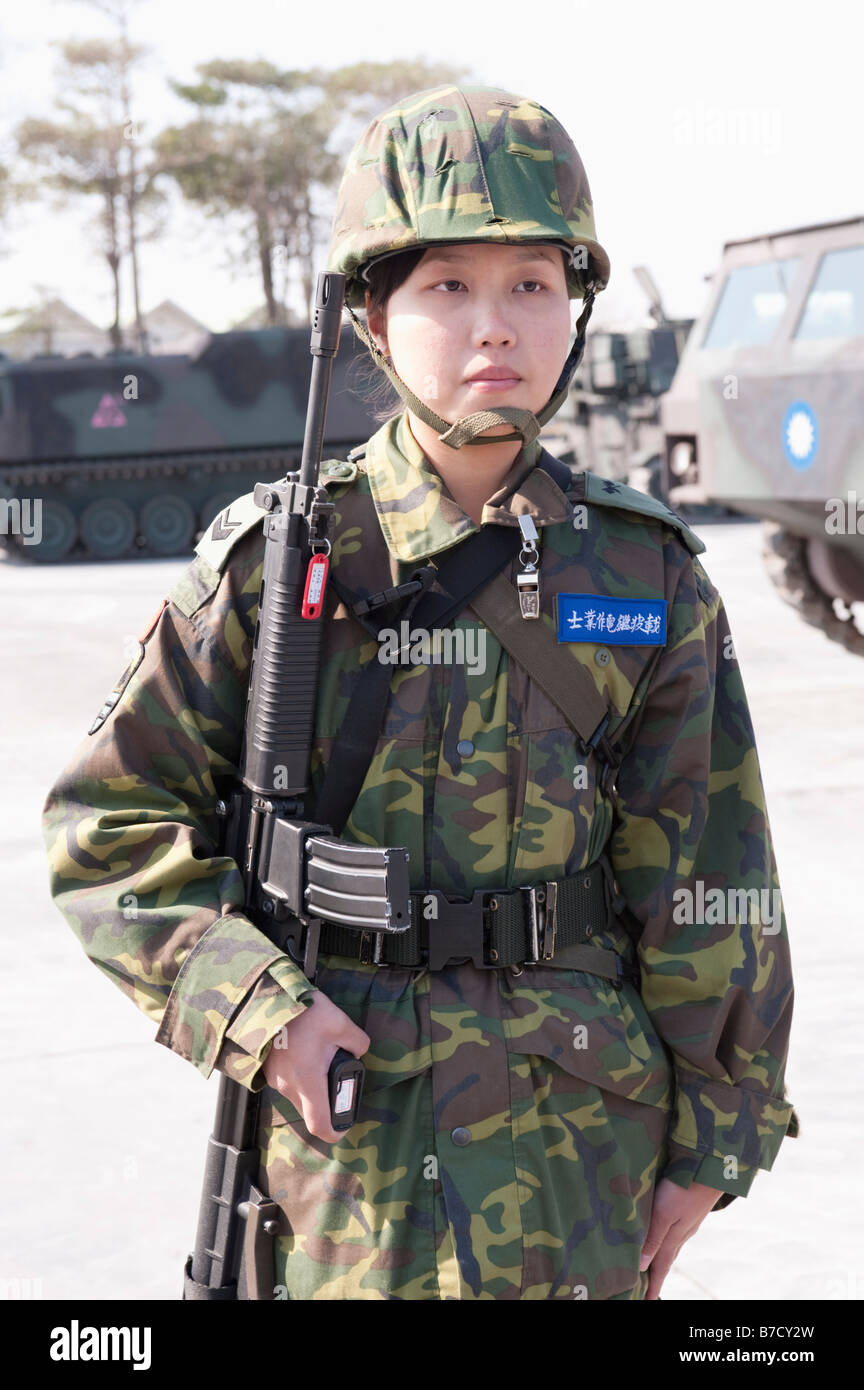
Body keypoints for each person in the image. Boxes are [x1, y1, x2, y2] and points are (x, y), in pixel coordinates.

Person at [41, 84, 797, 1302]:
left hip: (579, 1160)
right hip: (351, 1172)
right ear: (375, 321)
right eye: (448, 285)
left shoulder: (645, 574)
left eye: (532, 285)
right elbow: (107, 831)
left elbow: (714, 876)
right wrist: (262, 1014)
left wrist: (717, 1136)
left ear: (575, 311)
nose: (495, 325)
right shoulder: (279, 564)